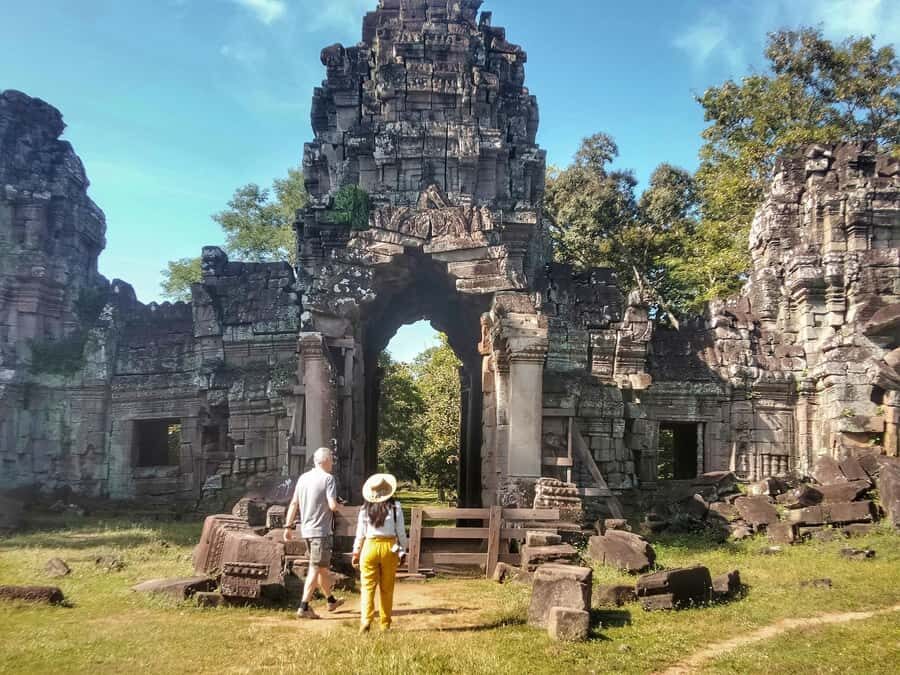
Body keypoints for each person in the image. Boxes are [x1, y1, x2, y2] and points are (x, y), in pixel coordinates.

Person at [284, 447, 344, 619]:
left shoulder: (303, 478)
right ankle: (304, 607)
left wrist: (288, 527)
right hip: (321, 532)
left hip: (307, 531)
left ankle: (331, 600)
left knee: (322, 568)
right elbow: (332, 505)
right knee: (315, 568)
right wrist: (342, 508)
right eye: (331, 459)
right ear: (324, 461)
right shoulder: (328, 479)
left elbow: (294, 503)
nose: (332, 462)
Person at [352, 473, 407, 633]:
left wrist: (356, 551)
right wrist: (403, 550)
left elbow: (360, 533)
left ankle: (365, 620)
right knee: (387, 588)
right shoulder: (396, 507)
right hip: (389, 547)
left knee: (367, 586)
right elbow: (401, 532)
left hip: (369, 547)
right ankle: (385, 623)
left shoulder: (365, 508)